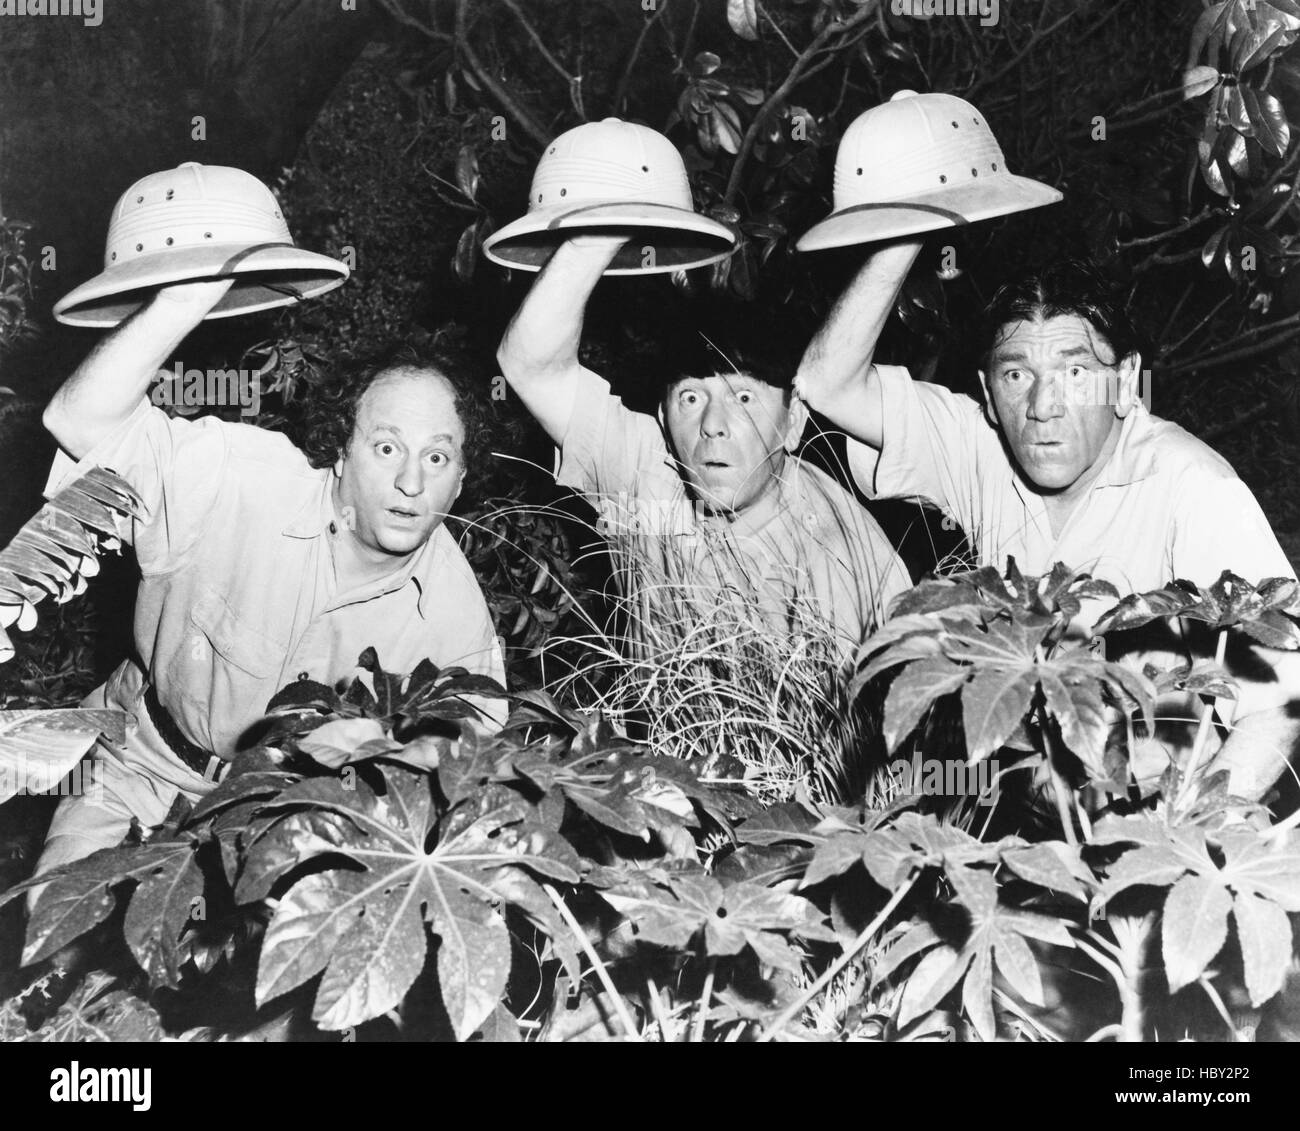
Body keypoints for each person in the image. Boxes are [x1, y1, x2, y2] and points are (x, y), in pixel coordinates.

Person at [33, 279, 505, 880]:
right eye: (386, 448)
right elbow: (78, 419)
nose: (411, 483)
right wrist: (187, 293)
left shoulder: (454, 614)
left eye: (436, 458)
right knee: (57, 916)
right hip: (138, 759)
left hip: (282, 820)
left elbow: (470, 766)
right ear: (341, 450)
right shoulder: (239, 482)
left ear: (460, 480)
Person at [796, 242, 1300, 802]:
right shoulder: (978, 447)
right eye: (1016, 374)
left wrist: (1190, 827)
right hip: (1019, 799)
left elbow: (1280, 704)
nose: (1042, 406)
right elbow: (824, 384)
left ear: (1125, 382)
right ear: (989, 395)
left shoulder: (1196, 487)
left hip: (1160, 806)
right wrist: (903, 232)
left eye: (1076, 371)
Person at [496, 235, 910, 669]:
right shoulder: (647, 471)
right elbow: (529, 366)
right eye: (691, 398)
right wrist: (596, 237)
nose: (712, 424)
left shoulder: (842, 556)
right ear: (662, 418)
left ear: (792, 423)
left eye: (744, 398)